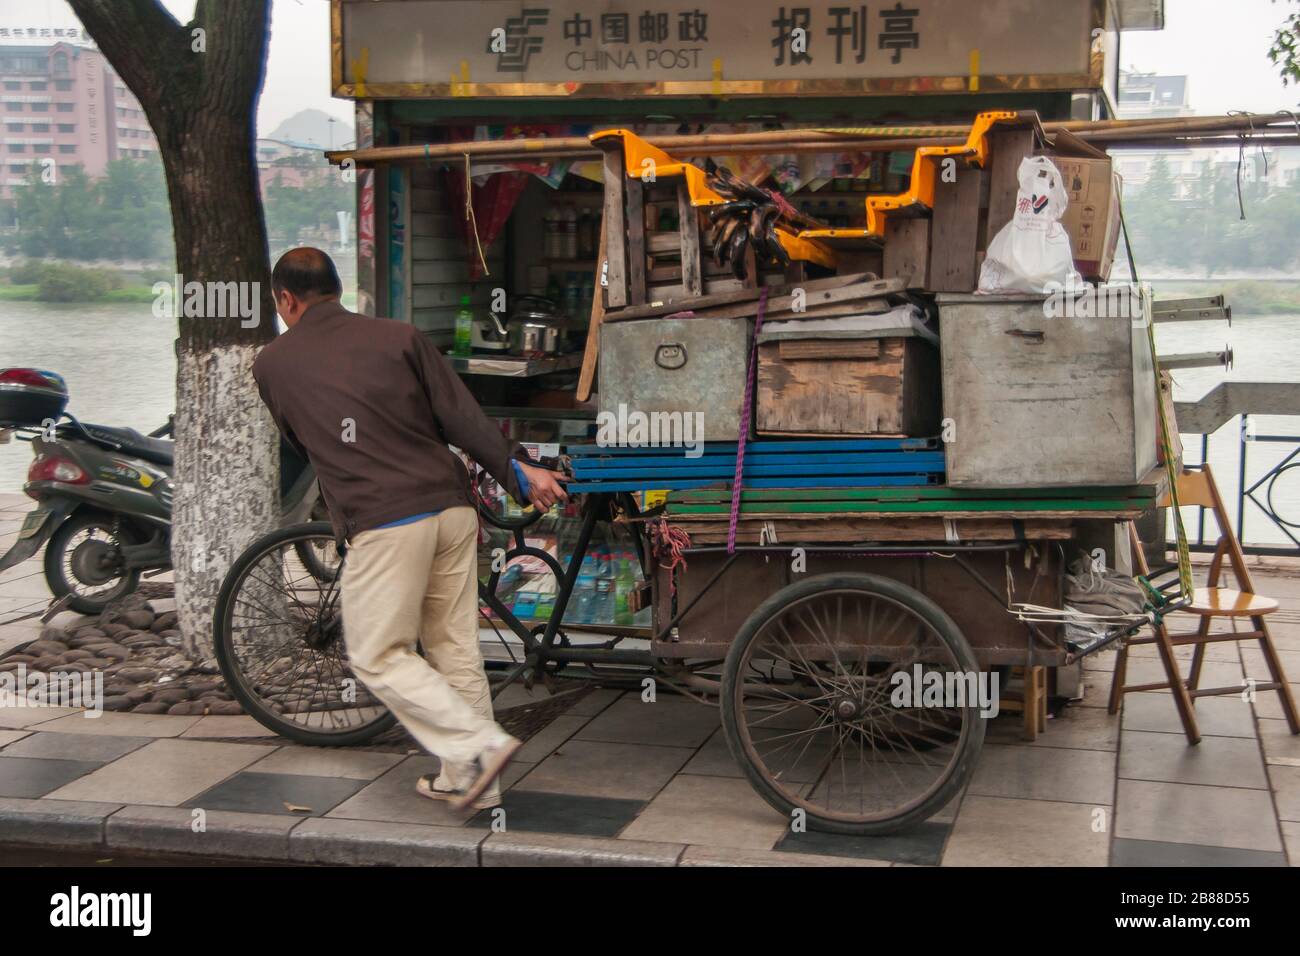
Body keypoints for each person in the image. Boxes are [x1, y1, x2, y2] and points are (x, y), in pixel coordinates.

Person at [253, 247, 568, 811]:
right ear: (338, 289)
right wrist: (518, 471)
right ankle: (469, 779)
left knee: (377, 654)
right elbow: (461, 415)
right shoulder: (399, 336)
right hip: (451, 510)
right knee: (455, 648)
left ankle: (478, 746)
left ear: (285, 299)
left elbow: (301, 442)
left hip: (385, 519)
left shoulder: (272, 363)